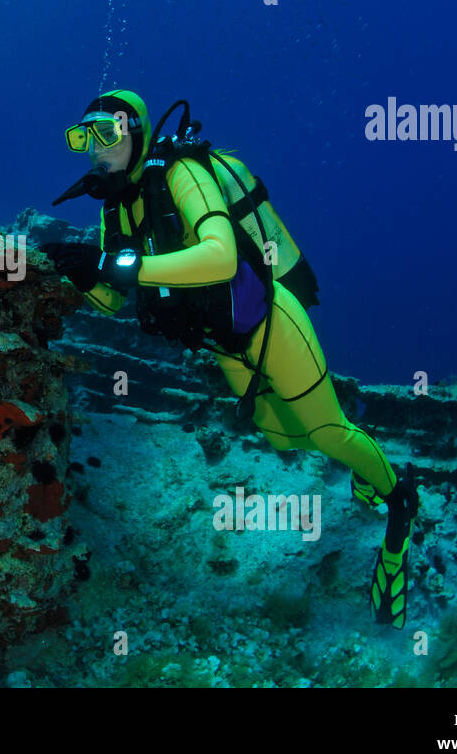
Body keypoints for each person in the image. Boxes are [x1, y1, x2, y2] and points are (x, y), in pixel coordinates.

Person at [42, 89, 420, 628]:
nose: (93, 151)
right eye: (82, 138)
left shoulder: (181, 174)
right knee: (280, 435)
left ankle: (400, 503)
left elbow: (219, 258)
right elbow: (109, 296)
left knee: (326, 433)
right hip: (226, 342)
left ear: (136, 131)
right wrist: (71, 276)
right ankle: (362, 456)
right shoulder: (116, 210)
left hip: (267, 320)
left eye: (106, 134)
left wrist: (112, 264)